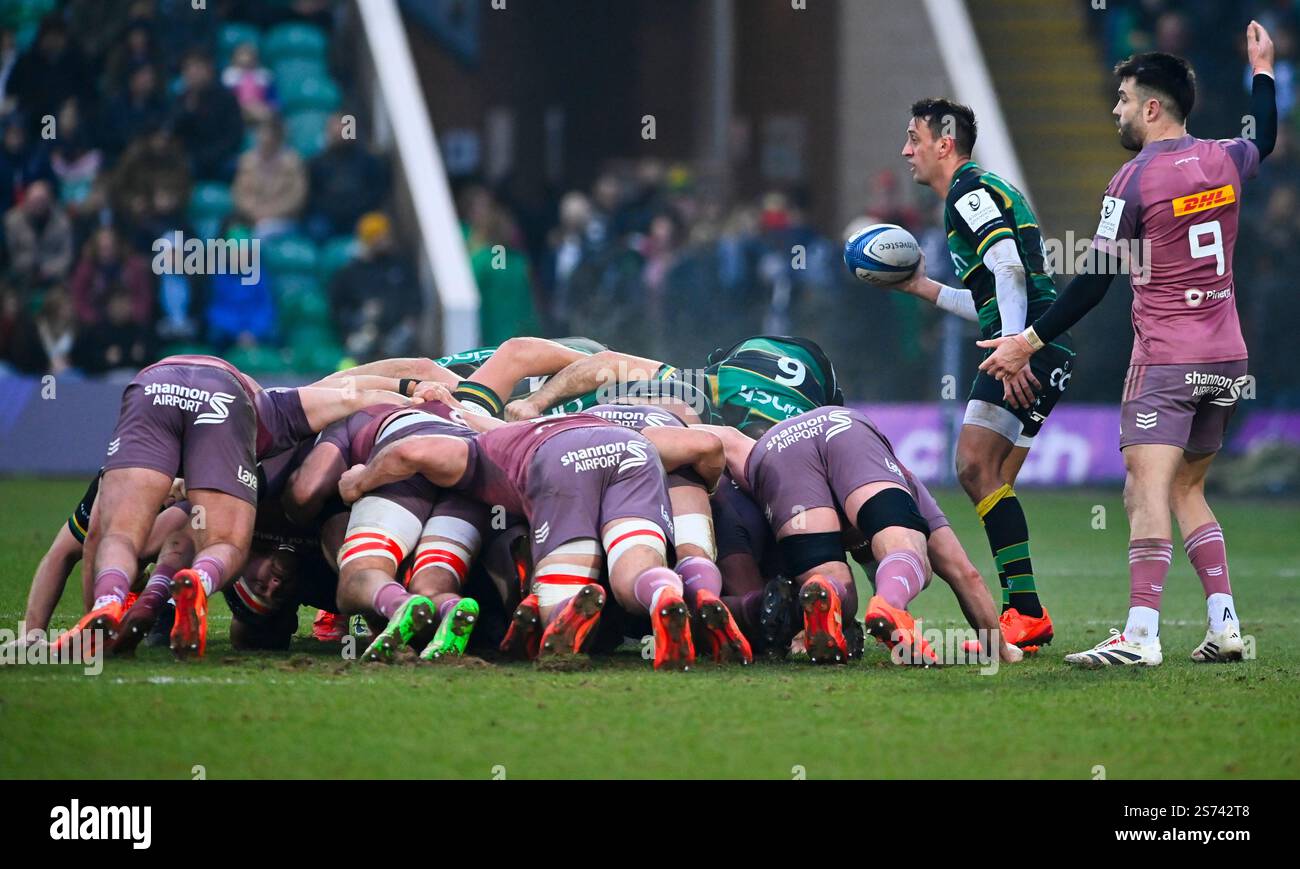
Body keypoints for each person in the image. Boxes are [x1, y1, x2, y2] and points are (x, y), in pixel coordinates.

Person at [979, 23, 1277, 668]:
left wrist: (1027, 341)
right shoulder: (1226, 157)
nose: (1114, 110)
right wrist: (1263, 71)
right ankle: (1225, 624)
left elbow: (1093, 281)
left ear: (1150, 107)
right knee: (1187, 489)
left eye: (1121, 100)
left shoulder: (1133, 181)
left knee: (1144, 489)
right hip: (1227, 356)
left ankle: (1140, 635)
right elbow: (1268, 138)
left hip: (1167, 359)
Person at [340, 390, 728, 671]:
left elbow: (412, 452)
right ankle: (662, 593)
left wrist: (359, 482)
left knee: (556, 598)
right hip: (633, 450)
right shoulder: (516, 431)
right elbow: (709, 445)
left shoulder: (474, 452)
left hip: (561, 459)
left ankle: (563, 610)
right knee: (634, 571)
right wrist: (709, 488)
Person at [66, 356, 421, 660]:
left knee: (130, 536)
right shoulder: (322, 570)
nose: (272, 584)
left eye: (257, 585)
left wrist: (148, 599)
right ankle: (146, 597)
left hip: (157, 387)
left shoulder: (275, 419)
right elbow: (355, 388)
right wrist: (412, 388)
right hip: (203, 398)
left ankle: (111, 604)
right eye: (275, 594)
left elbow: (112, 541)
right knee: (231, 539)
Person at [894, 97, 1076, 651]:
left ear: (944, 144)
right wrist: (924, 288)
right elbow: (992, 296)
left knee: (972, 465)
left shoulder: (968, 194)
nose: (907, 151)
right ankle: (1027, 615)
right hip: (1048, 345)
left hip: (1032, 346)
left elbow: (1009, 268)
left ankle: (1023, 611)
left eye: (914, 139)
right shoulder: (986, 190)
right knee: (992, 478)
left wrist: (1017, 347)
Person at [699, 409, 1019, 667]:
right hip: (847, 430)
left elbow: (722, 438)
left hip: (780, 449)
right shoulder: (904, 481)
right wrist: (1000, 649)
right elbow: (966, 573)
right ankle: (891, 605)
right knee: (910, 552)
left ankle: (822, 596)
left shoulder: (755, 457)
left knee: (831, 585)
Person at [232, 115, 306, 238]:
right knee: (234, 231)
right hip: (250, 217)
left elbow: (296, 198)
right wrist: (254, 212)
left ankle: (253, 255)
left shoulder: (293, 162)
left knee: (263, 231)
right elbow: (239, 192)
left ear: (278, 139)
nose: (263, 139)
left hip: (282, 220)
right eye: (261, 134)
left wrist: (268, 213)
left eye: (268, 135)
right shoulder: (247, 161)